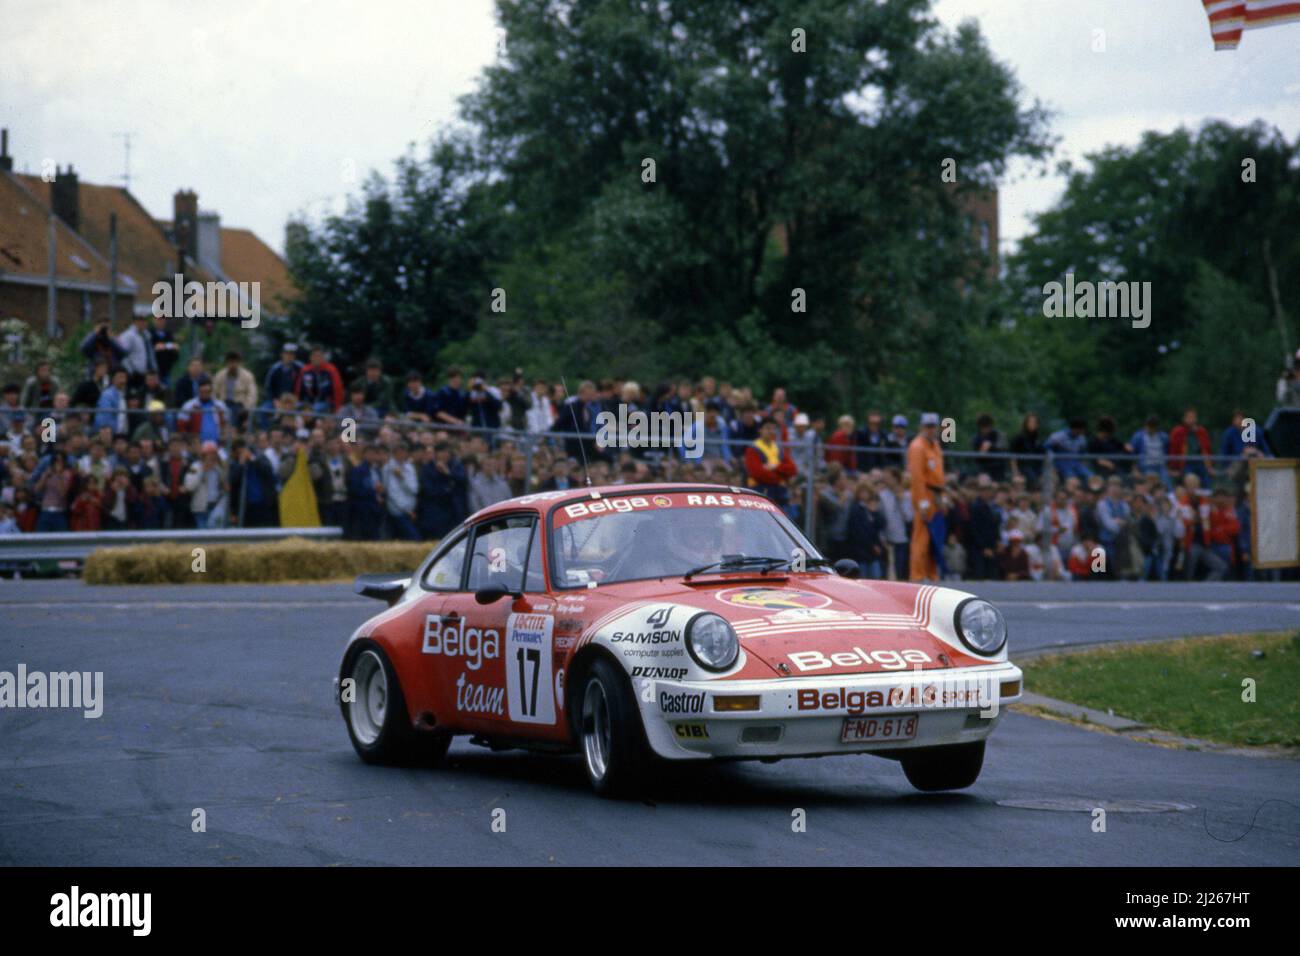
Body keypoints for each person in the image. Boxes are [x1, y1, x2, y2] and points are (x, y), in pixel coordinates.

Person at [906, 412, 945, 582]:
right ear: (921, 427)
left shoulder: (935, 445)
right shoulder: (917, 447)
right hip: (925, 495)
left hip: (936, 494)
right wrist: (921, 502)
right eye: (927, 427)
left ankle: (932, 574)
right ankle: (917, 575)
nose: (931, 430)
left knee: (934, 536)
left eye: (933, 426)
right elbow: (917, 477)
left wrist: (941, 497)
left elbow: (938, 474)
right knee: (921, 537)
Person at [744, 419, 797, 509]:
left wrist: (775, 467)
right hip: (759, 490)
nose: (771, 431)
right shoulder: (753, 448)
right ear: (760, 430)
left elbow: (793, 469)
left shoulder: (778, 448)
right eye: (768, 428)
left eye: (773, 429)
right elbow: (758, 473)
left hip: (779, 491)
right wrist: (781, 477)